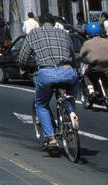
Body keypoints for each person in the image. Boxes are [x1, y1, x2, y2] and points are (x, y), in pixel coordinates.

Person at [16, 14, 80, 151]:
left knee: (41, 104)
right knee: (71, 95)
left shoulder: (33, 34)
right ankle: (70, 110)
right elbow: (73, 56)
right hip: (68, 71)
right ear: (54, 22)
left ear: (40, 23)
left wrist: (22, 68)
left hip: (47, 73)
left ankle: (50, 138)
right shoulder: (63, 33)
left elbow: (23, 57)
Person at [76, 21, 108, 103]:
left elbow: (81, 56)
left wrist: (76, 60)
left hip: (96, 67)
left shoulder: (87, 43)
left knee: (86, 75)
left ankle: (91, 91)